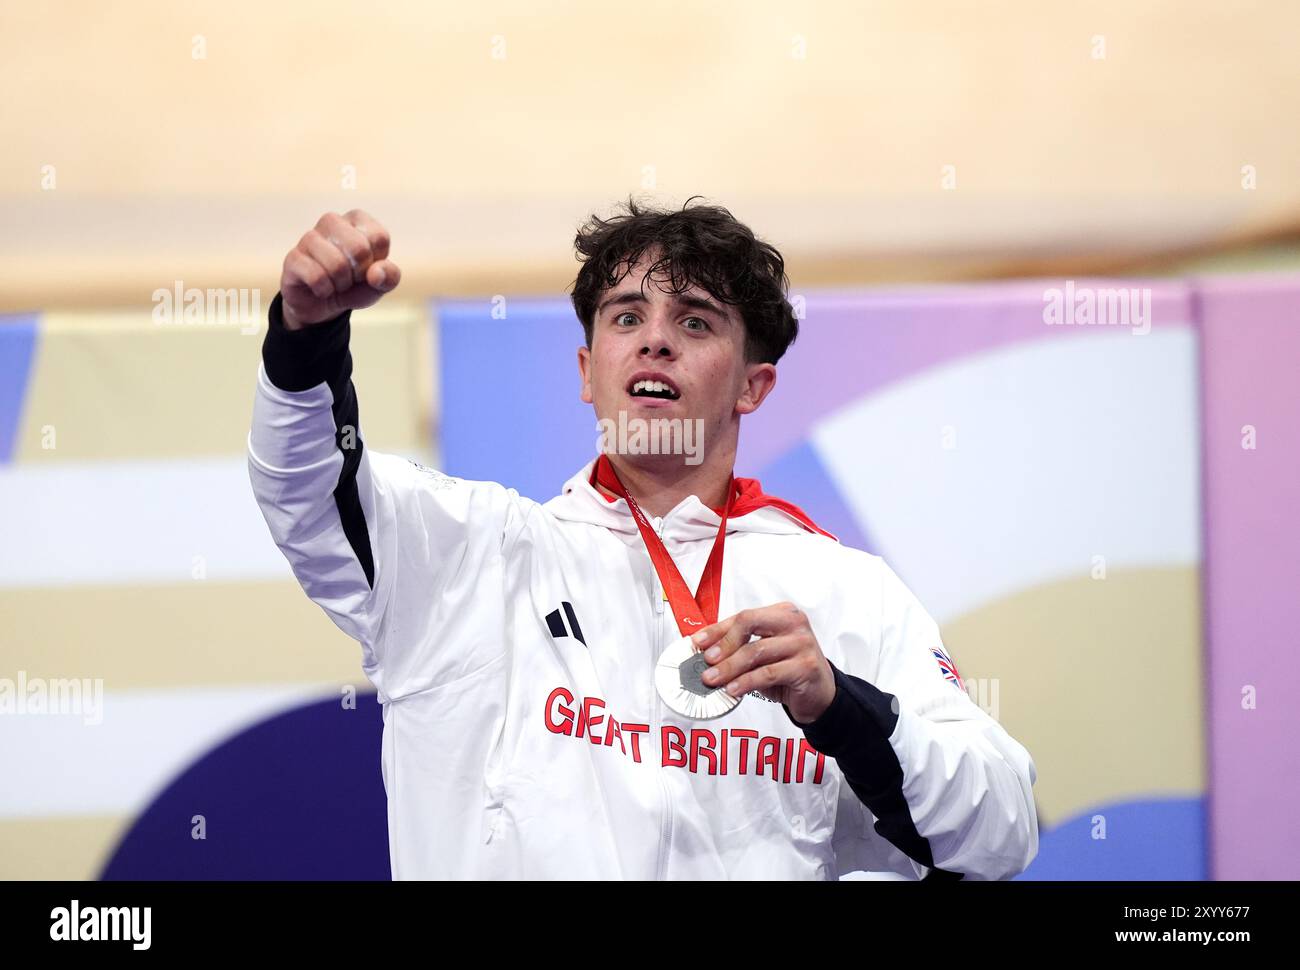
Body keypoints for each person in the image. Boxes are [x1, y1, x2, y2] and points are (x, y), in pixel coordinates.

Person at [247, 198, 1039, 880]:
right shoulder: (471, 556)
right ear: (589, 370)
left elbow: (999, 832)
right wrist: (305, 337)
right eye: (627, 316)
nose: (655, 340)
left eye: (694, 321)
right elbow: (307, 488)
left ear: (753, 385)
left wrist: (839, 708)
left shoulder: (844, 594)